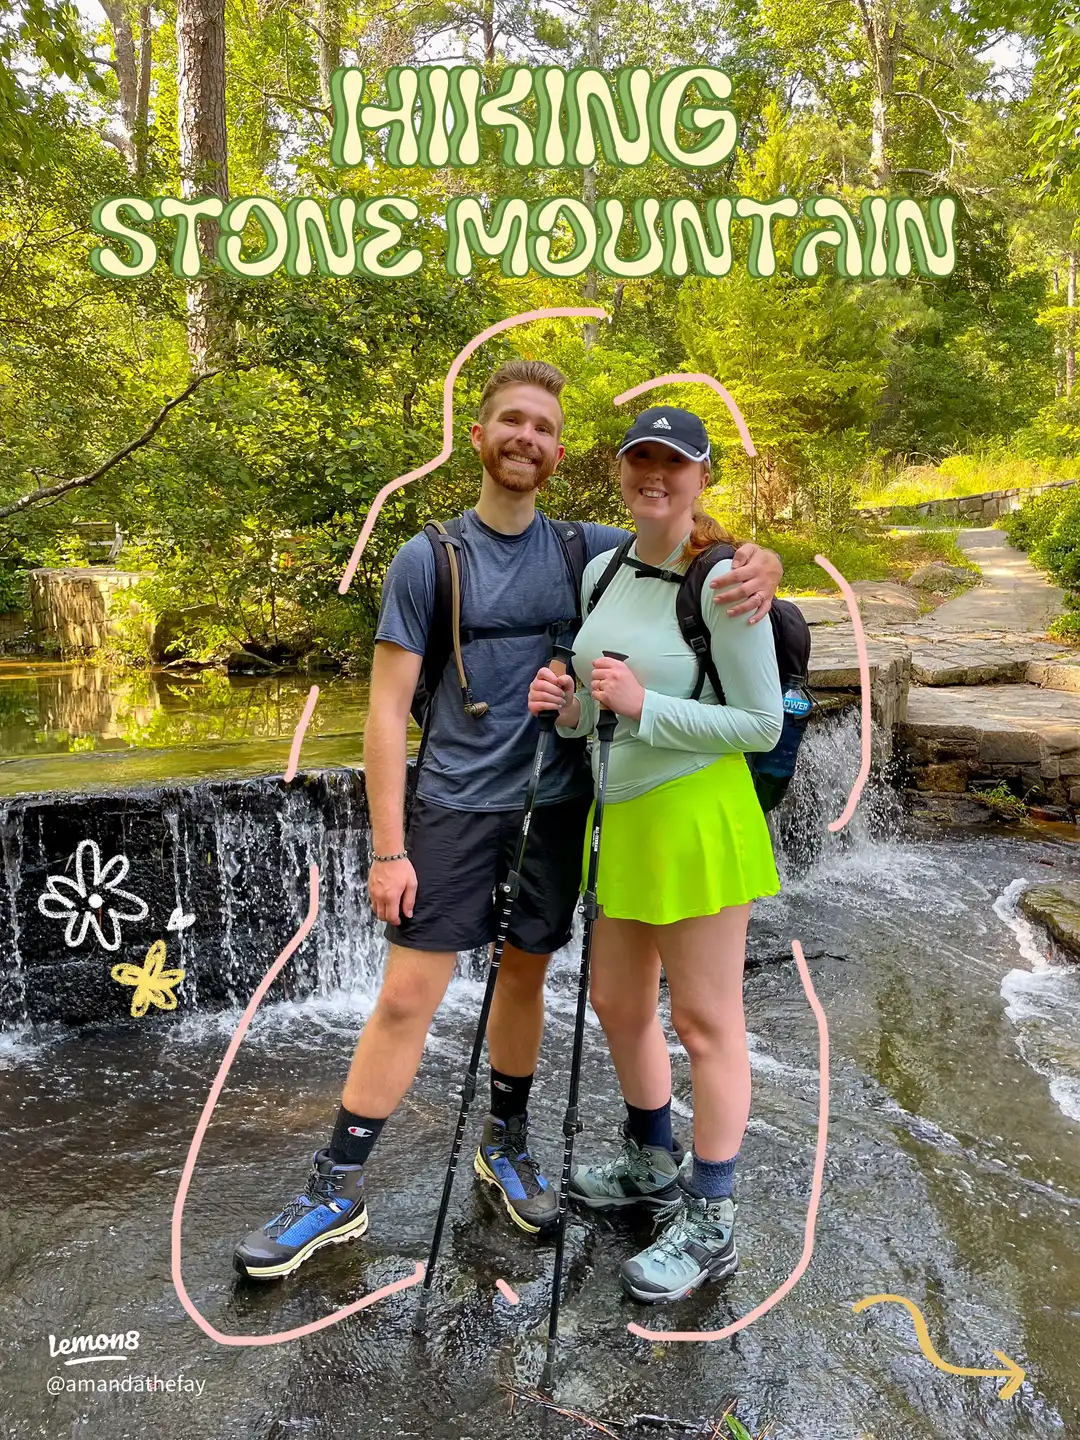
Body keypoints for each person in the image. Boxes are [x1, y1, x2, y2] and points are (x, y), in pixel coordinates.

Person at [233, 363, 783, 1281]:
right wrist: (388, 847)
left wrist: (762, 561)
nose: (527, 437)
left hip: (559, 809)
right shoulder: (432, 559)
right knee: (408, 996)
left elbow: (696, 547)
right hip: (453, 805)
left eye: (544, 427)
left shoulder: (584, 552)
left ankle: (509, 1143)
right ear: (480, 436)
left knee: (526, 979)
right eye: (512, 421)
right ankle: (335, 1187)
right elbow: (384, 713)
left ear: (560, 455)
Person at [527, 403, 783, 1305]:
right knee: (617, 1002)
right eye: (641, 458)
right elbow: (595, 719)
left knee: (707, 1024)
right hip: (624, 820)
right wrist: (569, 706)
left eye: (674, 463)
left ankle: (711, 1222)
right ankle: (651, 1163)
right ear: (621, 471)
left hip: (697, 818)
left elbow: (759, 723)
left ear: (701, 477)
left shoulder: (726, 581)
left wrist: (644, 706)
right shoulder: (603, 570)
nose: (655, 475)